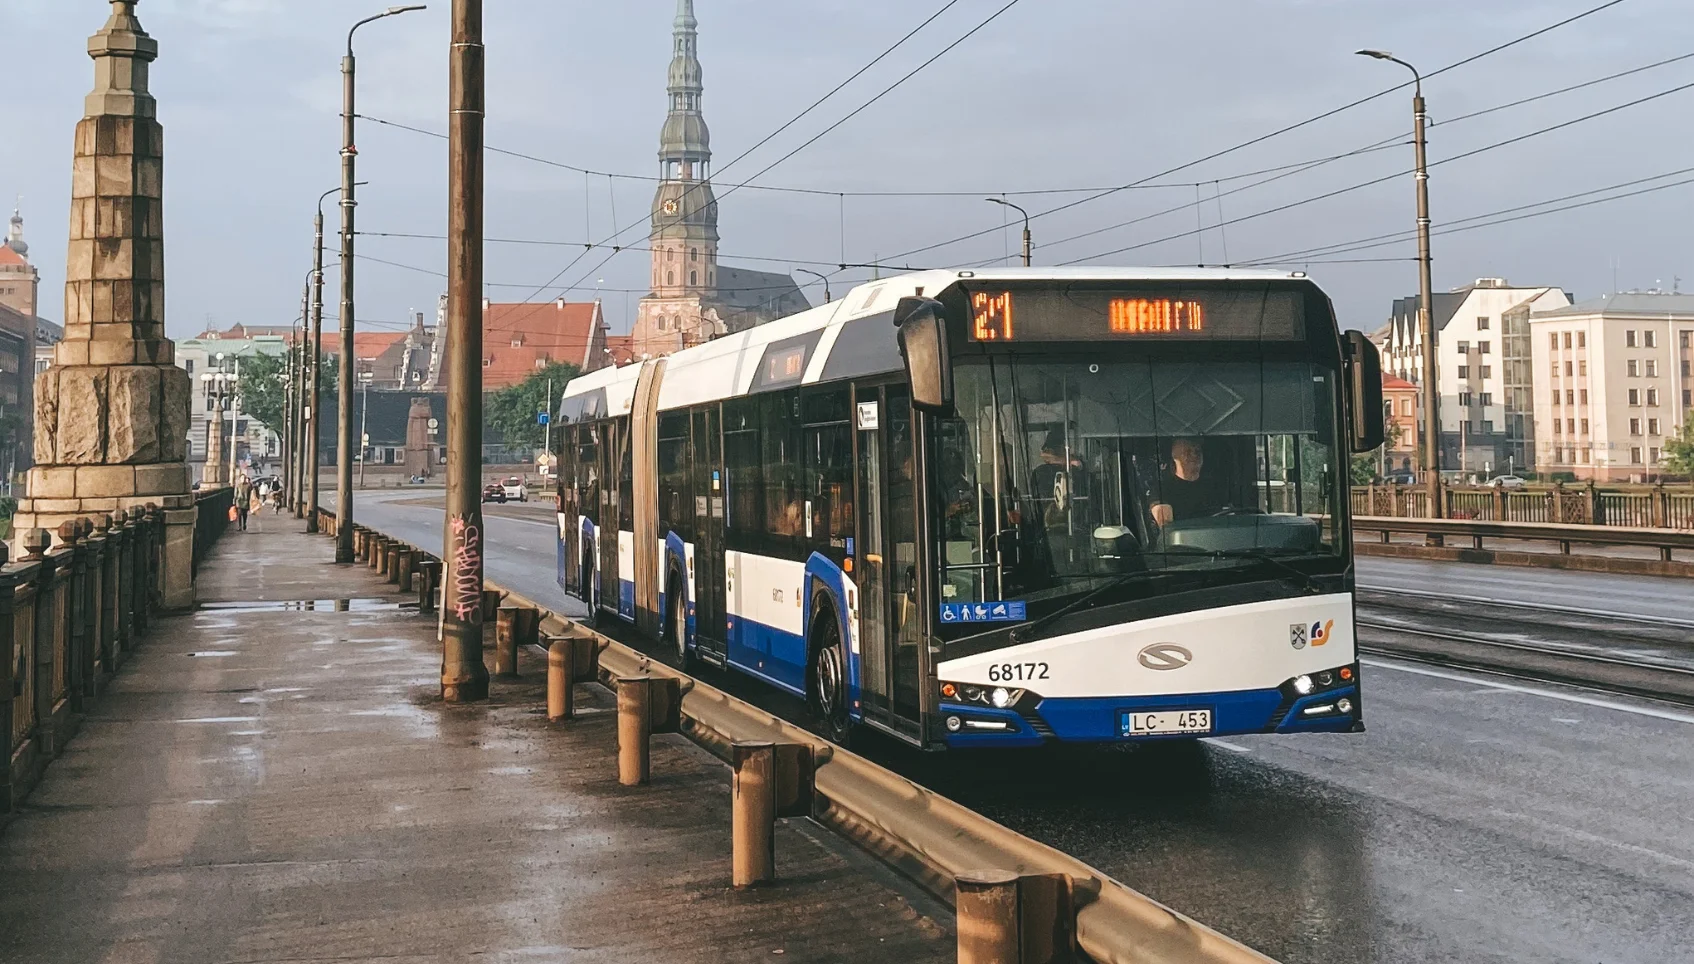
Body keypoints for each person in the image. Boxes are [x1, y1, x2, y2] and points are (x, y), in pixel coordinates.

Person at [1150, 437, 1230, 527]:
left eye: (1197, 451)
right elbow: (1167, 529)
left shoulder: (1215, 487)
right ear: (1175, 457)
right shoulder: (1162, 490)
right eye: (1187, 452)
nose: (1194, 455)